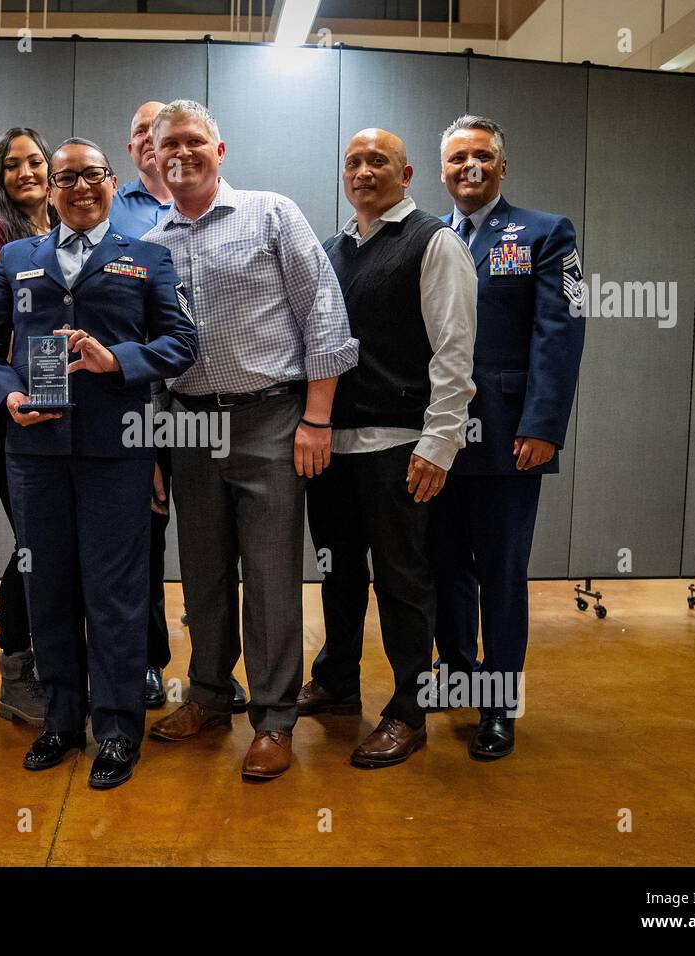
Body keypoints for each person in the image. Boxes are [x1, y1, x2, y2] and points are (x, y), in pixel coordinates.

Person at [0, 138, 197, 789]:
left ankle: (119, 729)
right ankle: (63, 721)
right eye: (65, 177)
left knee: (116, 594)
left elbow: (183, 341)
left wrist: (118, 360)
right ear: (52, 190)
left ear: (110, 180)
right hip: (35, 452)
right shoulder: (17, 258)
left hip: (116, 450)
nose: (79, 187)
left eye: (91, 175)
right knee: (50, 589)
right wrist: (7, 392)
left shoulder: (148, 259)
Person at [144, 100, 357, 781]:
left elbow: (323, 310)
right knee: (201, 571)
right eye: (166, 143)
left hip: (270, 417)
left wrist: (317, 418)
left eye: (193, 140)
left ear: (219, 148)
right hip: (187, 423)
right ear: (152, 156)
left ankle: (273, 718)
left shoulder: (271, 213)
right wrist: (154, 447)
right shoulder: (151, 244)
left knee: (269, 577)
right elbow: (148, 353)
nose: (181, 152)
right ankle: (207, 694)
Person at [298, 129, 477, 768]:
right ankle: (339, 681)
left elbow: (455, 352)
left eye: (379, 162)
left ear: (406, 175)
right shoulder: (330, 250)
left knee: (403, 580)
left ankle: (408, 708)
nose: (364, 171)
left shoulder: (435, 243)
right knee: (338, 573)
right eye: (354, 161)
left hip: (401, 445)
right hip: (332, 447)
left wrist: (440, 442)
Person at [431, 114, 585, 760]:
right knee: (442, 570)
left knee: (500, 572)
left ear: (502, 166)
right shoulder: (427, 236)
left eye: (483, 156)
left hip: (507, 437)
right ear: (442, 171)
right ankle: (459, 676)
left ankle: (499, 705)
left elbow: (564, 329)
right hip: (435, 438)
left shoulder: (548, 234)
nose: (471, 166)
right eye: (459, 157)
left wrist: (544, 426)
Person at [109, 100, 248, 713]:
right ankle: (144, 661)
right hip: (147, 408)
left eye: (162, 132)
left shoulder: (225, 207)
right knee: (141, 544)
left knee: (211, 552)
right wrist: (147, 439)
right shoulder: (111, 216)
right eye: (142, 132)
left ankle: (215, 672)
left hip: (215, 410)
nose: (154, 143)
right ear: (138, 146)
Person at [0, 127, 60, 727]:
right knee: (35, 541)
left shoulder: (70, 230)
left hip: (70, 409)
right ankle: (16, 668)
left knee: (55, 538)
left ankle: (53, 662)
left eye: (34, 162)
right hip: (17, 413)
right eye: (11, 165)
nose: (25, 172)